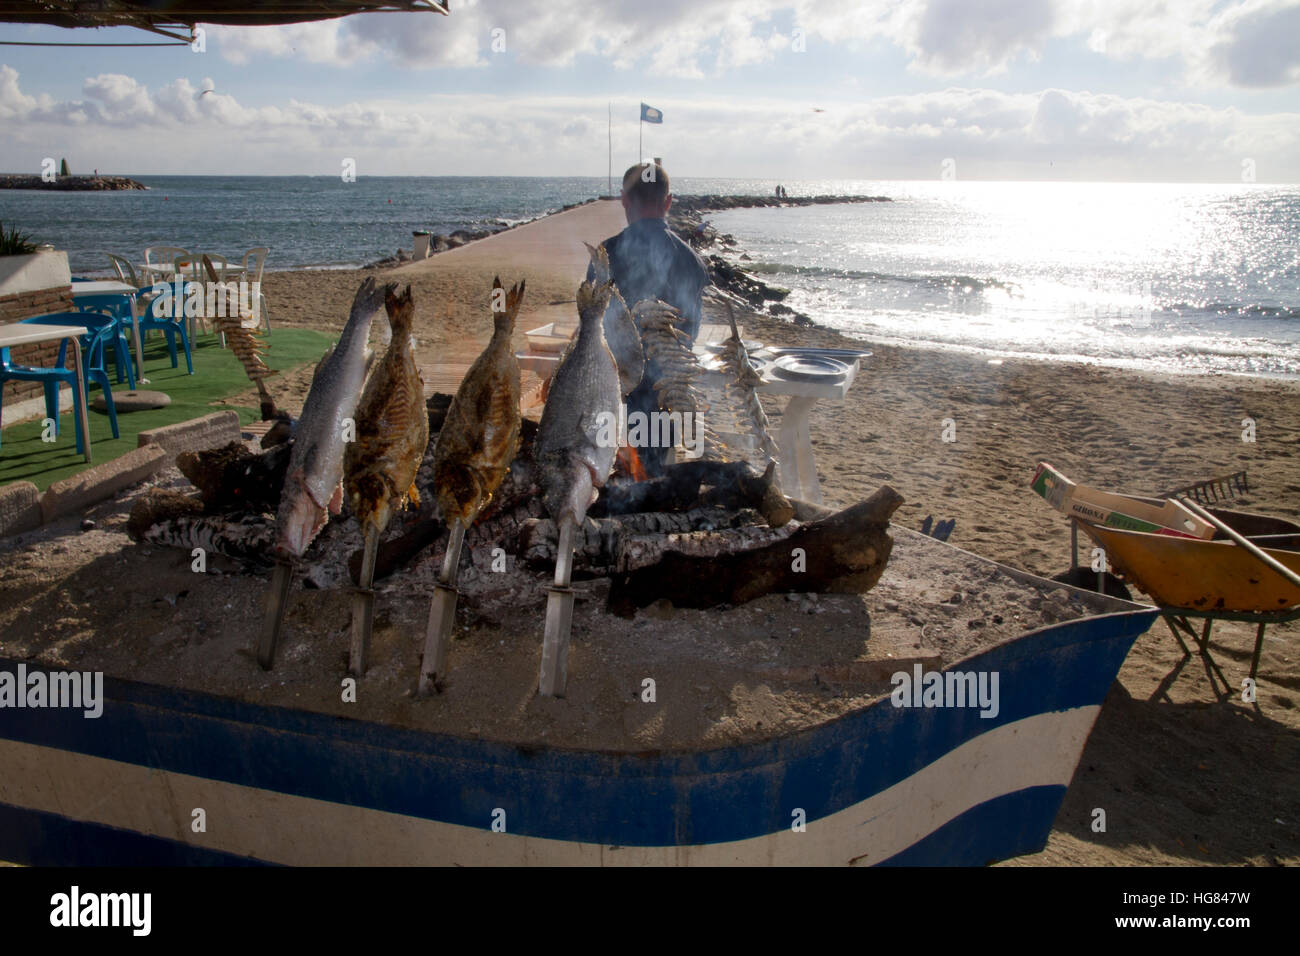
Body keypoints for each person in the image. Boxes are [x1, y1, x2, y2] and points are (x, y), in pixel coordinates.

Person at [588, 162, 710, 475]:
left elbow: (589, 330)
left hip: (610, 400)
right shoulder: (692, 261)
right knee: (654, 480)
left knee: (609, 483)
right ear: (668, 202)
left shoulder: (605, 255)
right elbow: (690, 335)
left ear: (624, 200)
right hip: (663, 404)